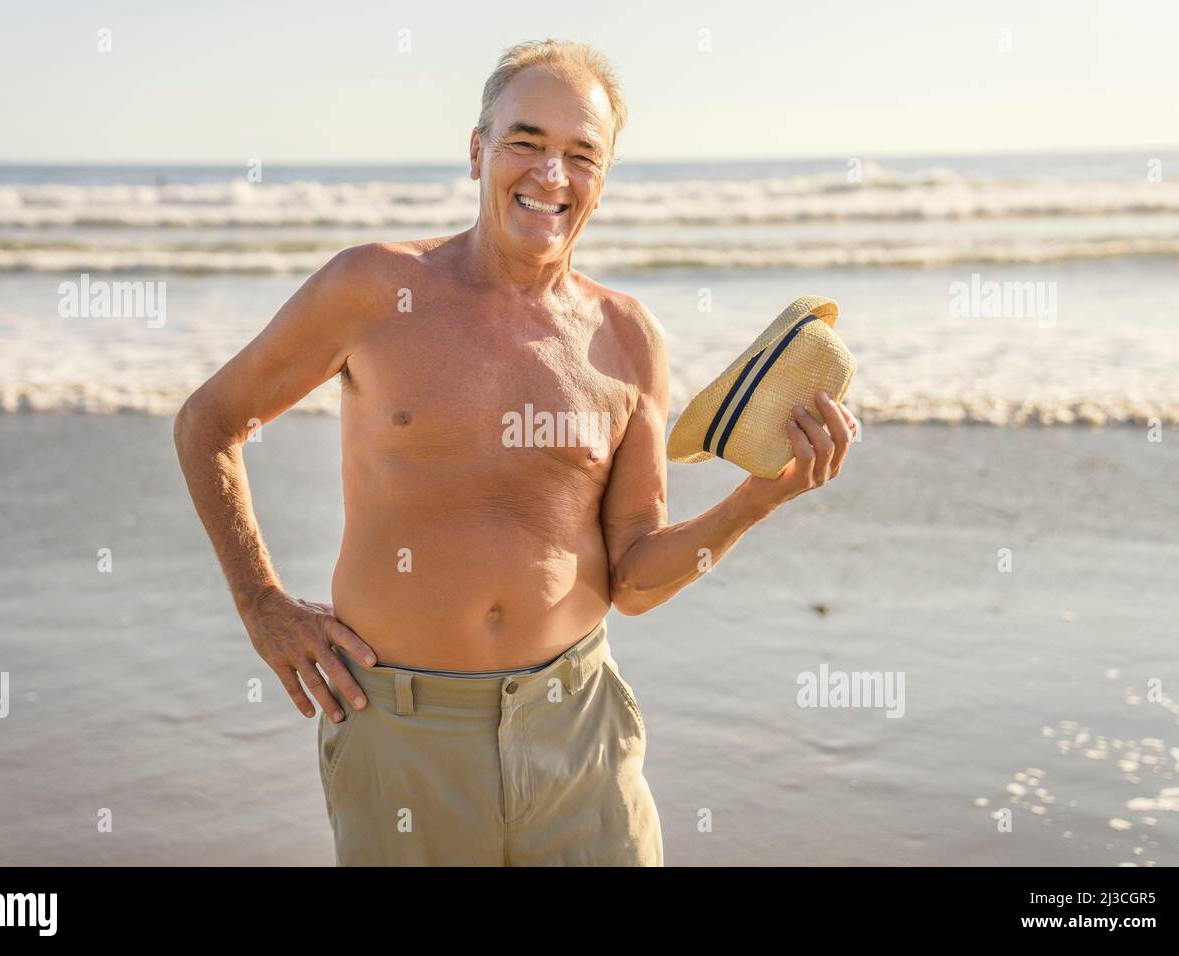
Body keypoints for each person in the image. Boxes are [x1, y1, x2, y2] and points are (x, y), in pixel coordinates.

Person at [173, 38, 857, 866]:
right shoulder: (371, 290)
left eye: (581, 155)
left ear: (603, 181)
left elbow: (634, 577)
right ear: (477, 152)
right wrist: (261, 605)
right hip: (403, 739)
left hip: (580, 736)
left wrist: (759, 497)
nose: (551, 176)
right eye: (525, 143)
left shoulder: (629, 339)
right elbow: (208, 423)